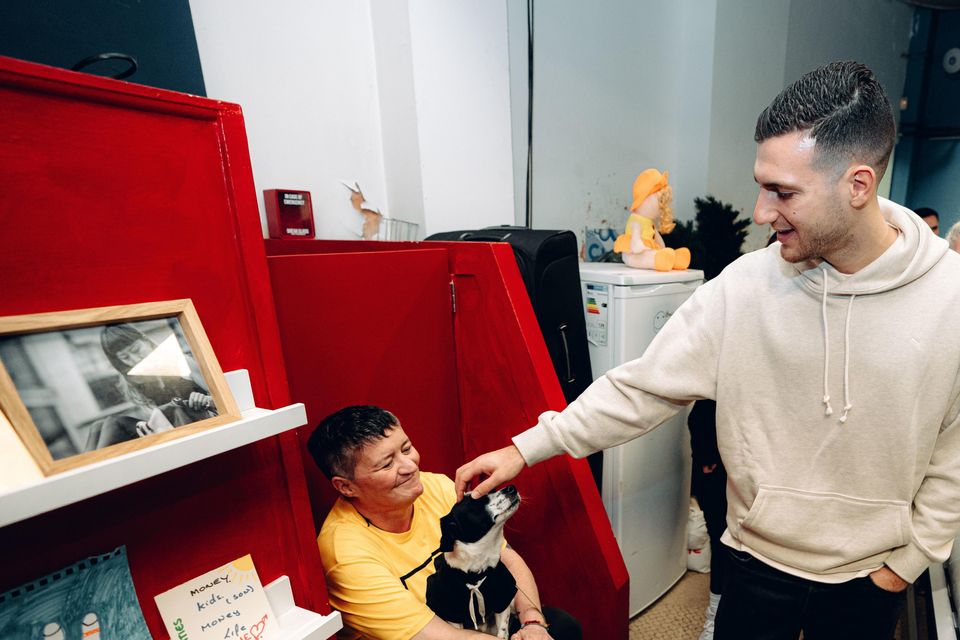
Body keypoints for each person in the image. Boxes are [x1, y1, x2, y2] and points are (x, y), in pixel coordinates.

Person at [455, 60, 960, 640]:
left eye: (782, 192)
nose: (761, 212)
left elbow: (954, 454)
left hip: (869, 580)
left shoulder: (951, 296)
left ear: (858, 185)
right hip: (752, 565)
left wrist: (905, 566)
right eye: (761, 184)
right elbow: (642, 386)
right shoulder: (744, 286)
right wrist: (529, 448)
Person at [307, 405, 581, 640]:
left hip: (472, 623)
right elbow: (440, 637)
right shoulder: (344, 554)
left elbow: (504, 557)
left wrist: (533, 622)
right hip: (432, 636)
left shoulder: (433, 486)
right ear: (346, 487)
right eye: (387, 464)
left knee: (561, 626)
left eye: (406, 448)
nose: (410, 466)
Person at [84, 323, 215, 450]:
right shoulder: (135, 384)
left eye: (136, 350)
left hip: (196, 425)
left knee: (114, 423)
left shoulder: (182, 362)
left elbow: (223, 400)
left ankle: (88, 468)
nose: (135, 359)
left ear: (146, 340)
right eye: (125, 357)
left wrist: (205, 400)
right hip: (168, 430)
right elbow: (157, 419)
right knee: (98, 427)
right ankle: (86, 466)